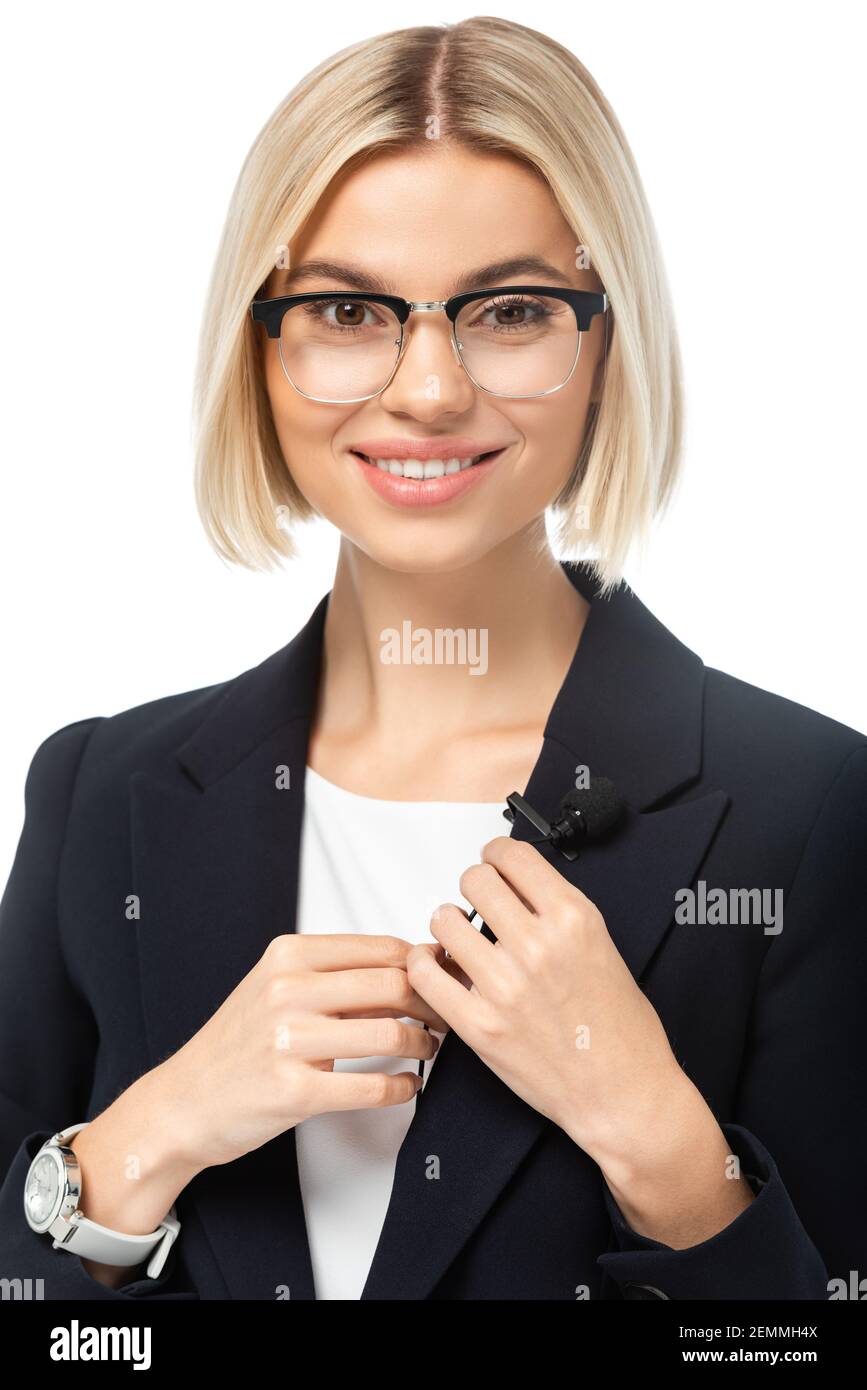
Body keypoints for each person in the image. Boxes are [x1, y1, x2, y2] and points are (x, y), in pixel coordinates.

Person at [1, 17, 864, 1301]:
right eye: (347, 308)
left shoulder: (808, 808)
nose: (427, 389)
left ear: (605, 346)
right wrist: (148, 1137)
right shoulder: (99, 793)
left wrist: (664, 1147)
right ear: (262, 347)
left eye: (509, 310)